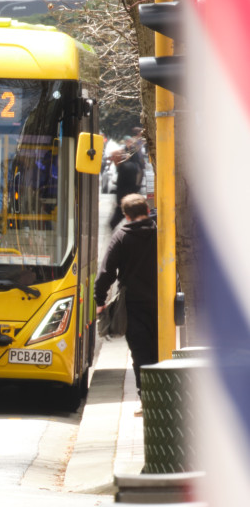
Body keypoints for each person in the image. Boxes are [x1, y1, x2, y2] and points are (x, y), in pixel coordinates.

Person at [95, 193, 158, 405]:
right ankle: (162, 395)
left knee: (140, 352)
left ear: (126, 216)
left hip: (132, 305)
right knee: (158, 348)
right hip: (161, 303)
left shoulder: (121, 236)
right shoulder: (161, 232)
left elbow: (106, 272)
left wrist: (100, 301)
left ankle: (147, 400)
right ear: (148, 211)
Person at [109, 148, 142, 230]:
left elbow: (129, 186)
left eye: (113, 157)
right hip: (126, 201)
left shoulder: (126, 168)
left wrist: (122, 201)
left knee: (114, 223)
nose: (111, 159)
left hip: (126, 201)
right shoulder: (125, 166)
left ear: (118, 157)